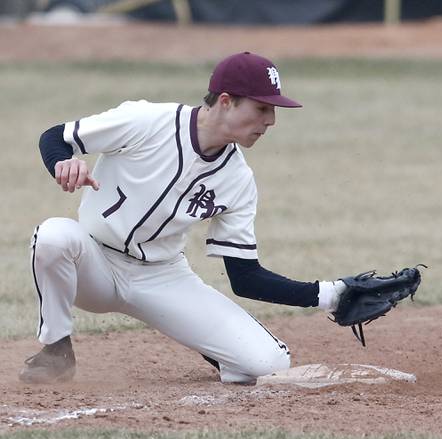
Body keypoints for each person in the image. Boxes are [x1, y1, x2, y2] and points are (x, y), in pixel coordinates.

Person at [22, 52, 349, 385]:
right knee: (53, 237)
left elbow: (245, 277)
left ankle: (218, 350)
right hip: (91, 266)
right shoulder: (148, 120)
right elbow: (55, 138)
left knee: (268, 363)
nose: (271, 121)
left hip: (162, 279)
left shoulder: (237, 179)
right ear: (226, 101)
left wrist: (332, 294)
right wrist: (63, 163)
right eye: (262, 108)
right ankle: (55, 349)